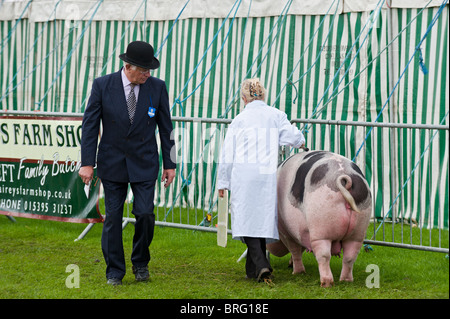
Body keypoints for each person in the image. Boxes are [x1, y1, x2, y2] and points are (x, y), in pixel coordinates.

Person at [79, 41, 176, 286]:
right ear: (127, 66)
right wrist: (87, 163)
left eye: (150, 69)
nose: (147, 73)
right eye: (143, 69)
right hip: (112, 163)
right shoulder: (103, 85)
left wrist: (170, 163)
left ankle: (140, 262)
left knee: (145, 214)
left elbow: (167, 128)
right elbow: (90, 126)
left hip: (145, 163)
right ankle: (114, 271)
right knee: (112, 217)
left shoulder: (157, 87)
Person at [217, 78, 305, 283]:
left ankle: (262, 265)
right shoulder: (275, 115)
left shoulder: (239, 120)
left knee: (246, 219)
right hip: (265, 176)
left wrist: (222, 182)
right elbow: (293, 137)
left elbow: (227, 153)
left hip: (243, 175)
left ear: (243, 98)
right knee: (262, 219)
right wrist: (302, 142)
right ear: (263, 95)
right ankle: (253, 269)